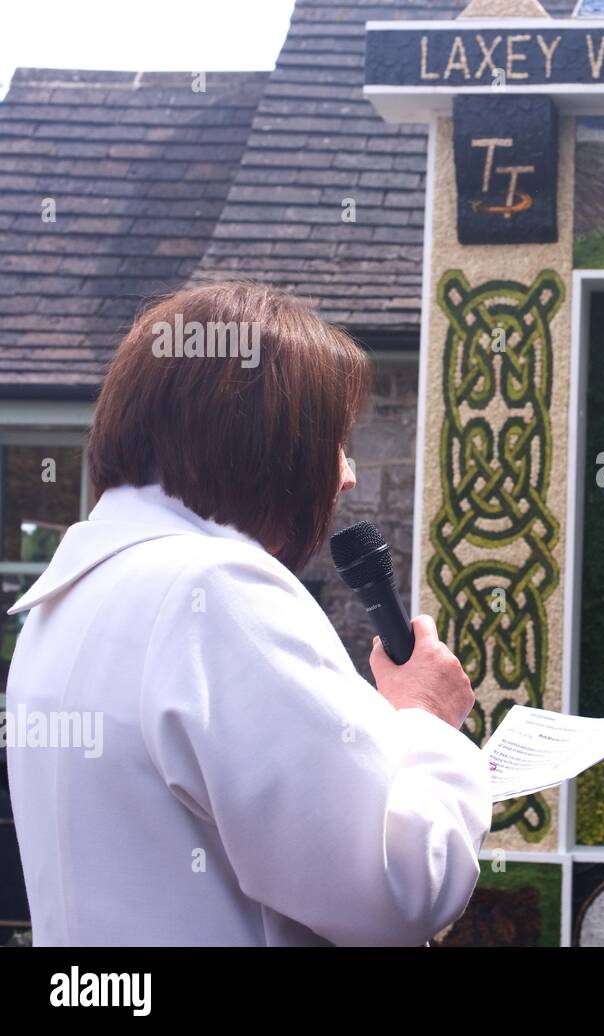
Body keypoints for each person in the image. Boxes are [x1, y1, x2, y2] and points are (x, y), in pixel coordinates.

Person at [4, 282, 490, 946]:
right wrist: (426, 721)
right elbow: (397, 894)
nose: (346, 476)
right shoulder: (217, 592)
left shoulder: (66, 601)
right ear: (266, 446)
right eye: (335, 443)